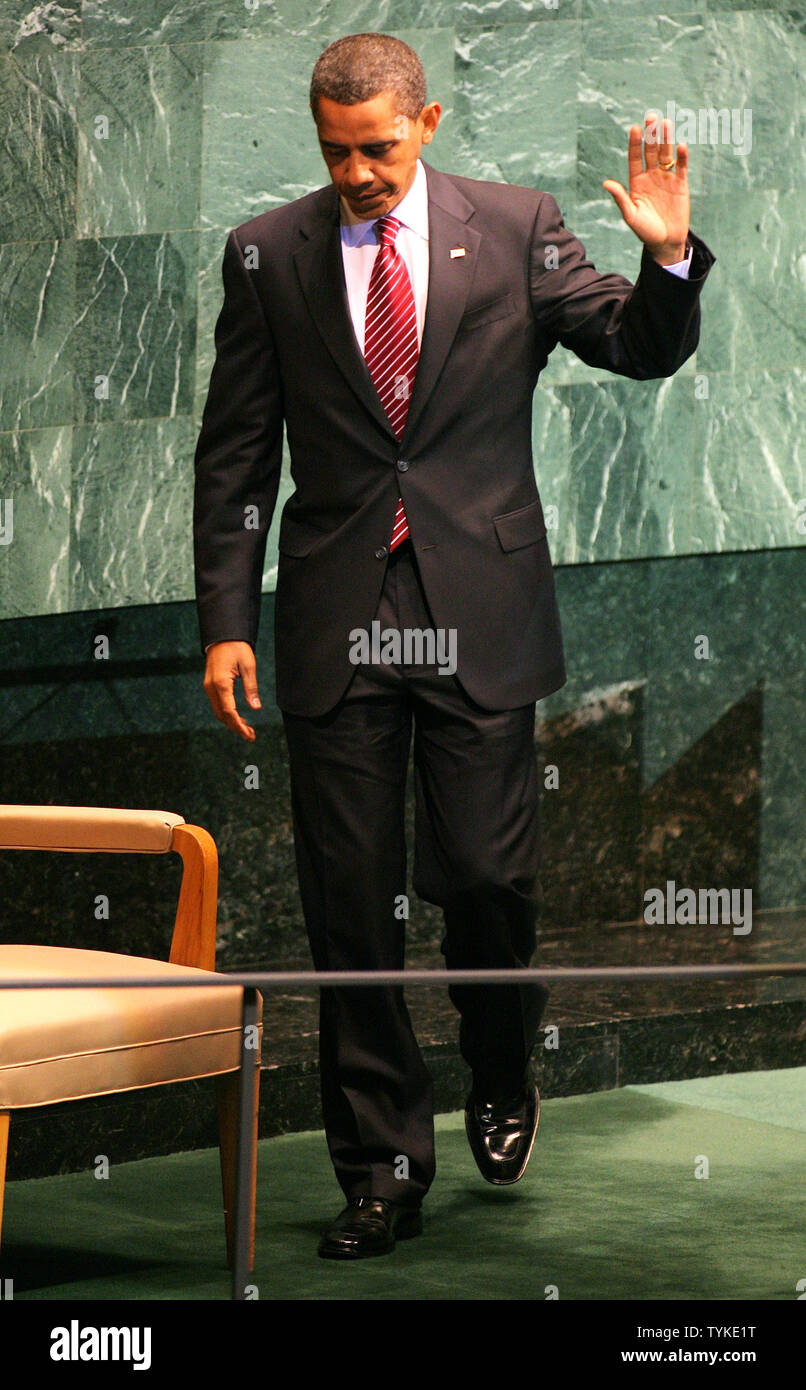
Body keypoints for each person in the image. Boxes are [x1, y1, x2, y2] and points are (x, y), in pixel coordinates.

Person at [193, 31, 715, 1260]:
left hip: (475, 610)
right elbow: (234, 459)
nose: (358, 172)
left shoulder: (517, 224)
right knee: (348, 915)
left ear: (425, 125)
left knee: (484, 879)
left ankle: (497, 1062)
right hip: (336, 621)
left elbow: (636, 349)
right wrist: (224, 620)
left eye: (376, 147)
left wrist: (667, 258)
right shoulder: (268, 252)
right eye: (335, 151)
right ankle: (379, 1165)